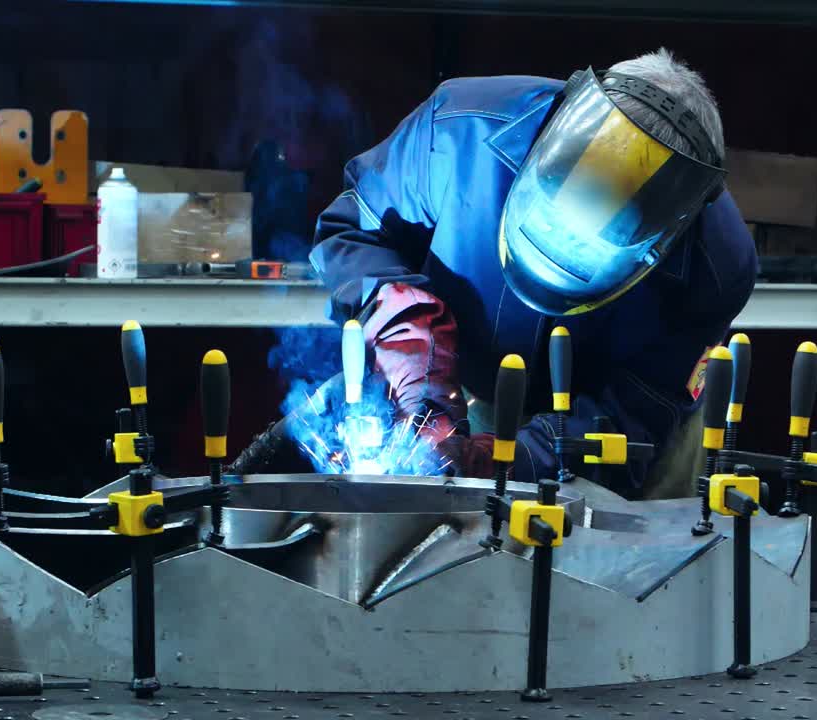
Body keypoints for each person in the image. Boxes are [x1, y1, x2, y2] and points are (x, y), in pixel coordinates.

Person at [309, 49, 758, 499]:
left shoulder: (719, 267)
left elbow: (638, 412)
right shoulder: (458, 131)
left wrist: (510, 459)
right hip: (461, 386)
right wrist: (412, 350)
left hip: (606, 426)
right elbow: (354, 232)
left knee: (633, 541)